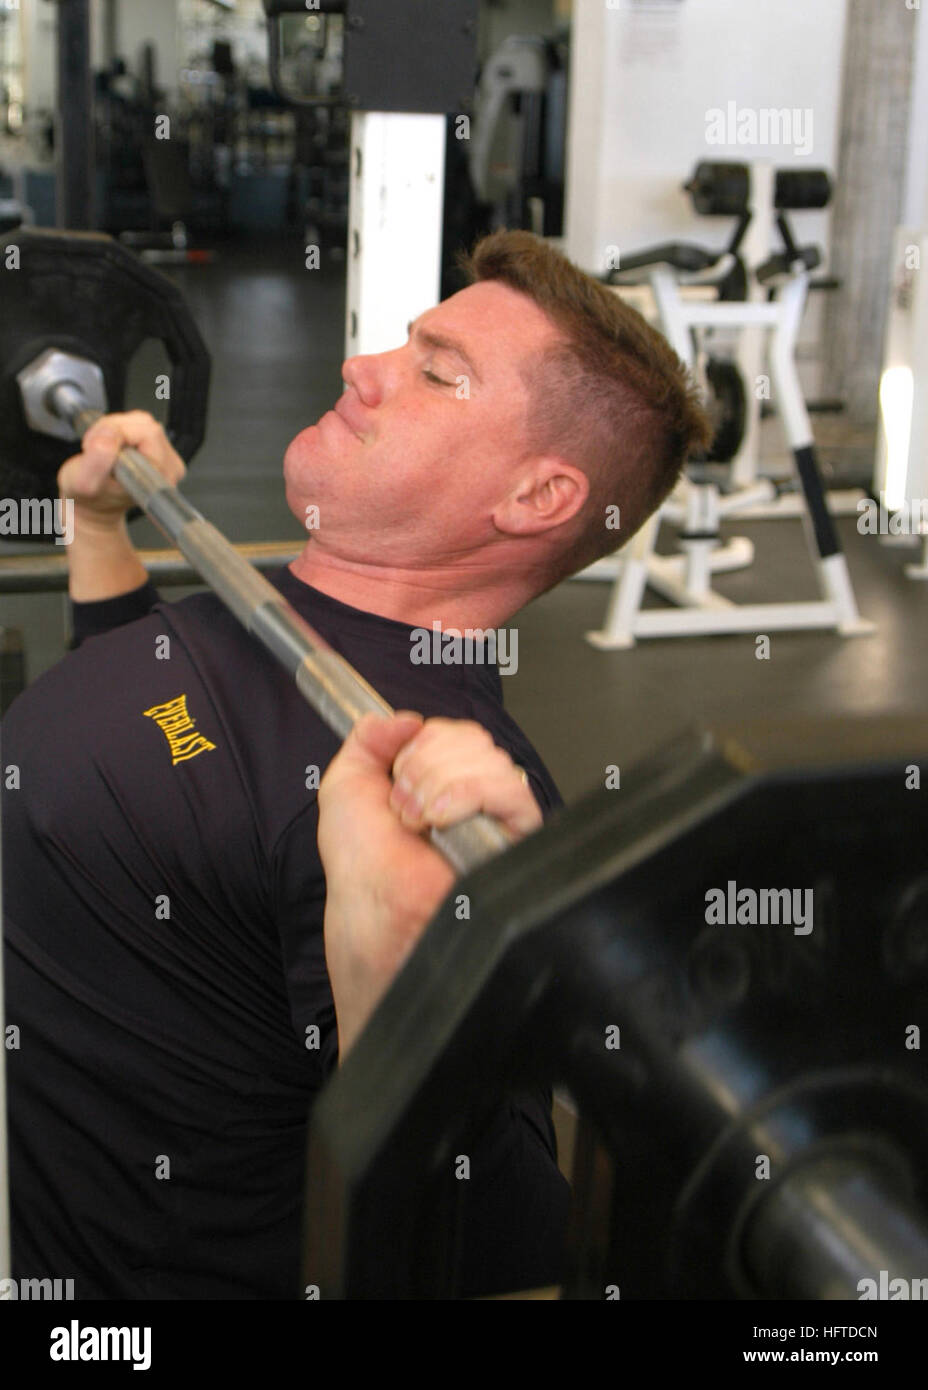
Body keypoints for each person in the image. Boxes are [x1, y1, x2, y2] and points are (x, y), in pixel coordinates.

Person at [2, 230, 710, 1299]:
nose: (360, 367)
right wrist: (100, 525)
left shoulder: (424, 804)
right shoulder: (295, 609)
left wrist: (401, 989)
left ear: (533, 497)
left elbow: (504, 1262)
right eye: (403, 343)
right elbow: (162, 715)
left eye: (435, 372)